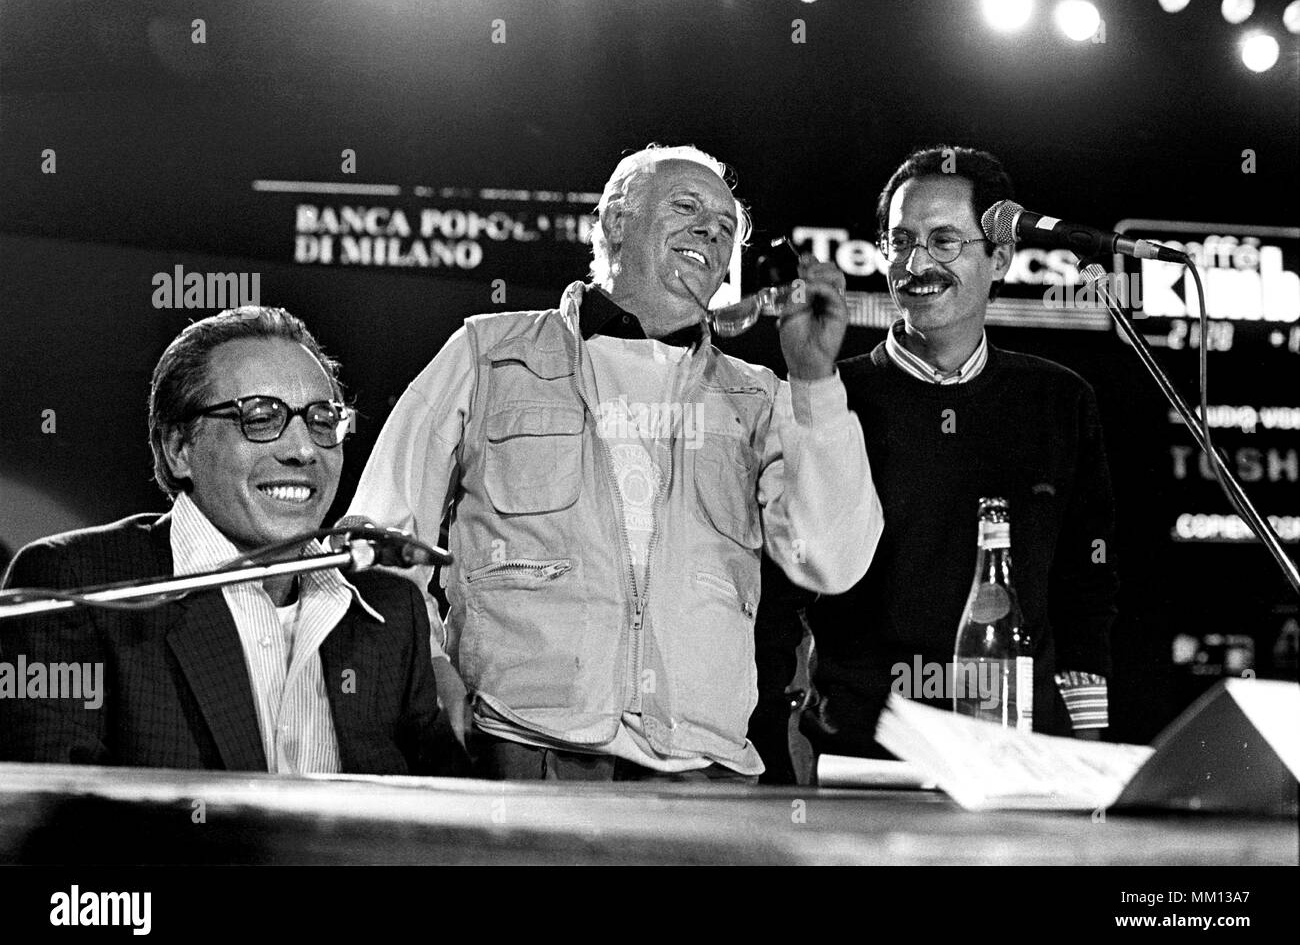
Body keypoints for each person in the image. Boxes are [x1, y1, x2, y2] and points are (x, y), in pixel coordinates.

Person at [347, 143, 884, 781]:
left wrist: (814, 377)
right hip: (516, 750)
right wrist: (430, 669)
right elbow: (374, 542)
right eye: (686, 206)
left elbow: (832, 560)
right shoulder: (487, 353)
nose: (710, 230)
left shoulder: (760, 395)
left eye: (725, 227)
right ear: (614, 224)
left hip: (700, 775)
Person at [0, 307, 442, 774]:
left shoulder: (391, 612)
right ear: (179, 450)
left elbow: (448, 818)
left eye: (321, 419)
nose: (303, 450)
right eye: (260, 416)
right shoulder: (78, 588)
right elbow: (54, 825)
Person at [802, 145, 1119, 759]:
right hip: (867, 758)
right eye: (900, 242)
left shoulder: (1060, 400)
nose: (916, 263)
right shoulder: (827, 396)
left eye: (944, 241)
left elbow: (1088, 584)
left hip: (1024, 752)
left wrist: (1086, 741)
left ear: (999, 256)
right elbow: (784, 591)